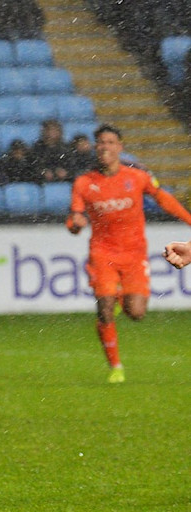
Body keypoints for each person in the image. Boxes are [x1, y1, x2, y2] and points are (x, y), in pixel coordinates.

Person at [66, 124, 191, 384]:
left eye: (110, 142)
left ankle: (119, 296)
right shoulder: (84, 182)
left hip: (135, 253)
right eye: (101, 142)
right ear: (96, 147)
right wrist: (75, 225)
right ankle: (116, 367)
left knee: (136, 313)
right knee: (104, 309)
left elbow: (162, 198)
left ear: (120, 147)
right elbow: (74, 218)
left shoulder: (137, 176)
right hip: (103, 252)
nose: (105, 147)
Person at [30, 118, 70, 183]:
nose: (51, 133)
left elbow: (71, 166)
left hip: (64, 182)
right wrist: (43, 172)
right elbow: (33, 166)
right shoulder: (37, 148)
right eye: (48, 130)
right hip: (41, 182)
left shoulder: (66, 148)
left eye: (54, 130)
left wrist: (66, 173)